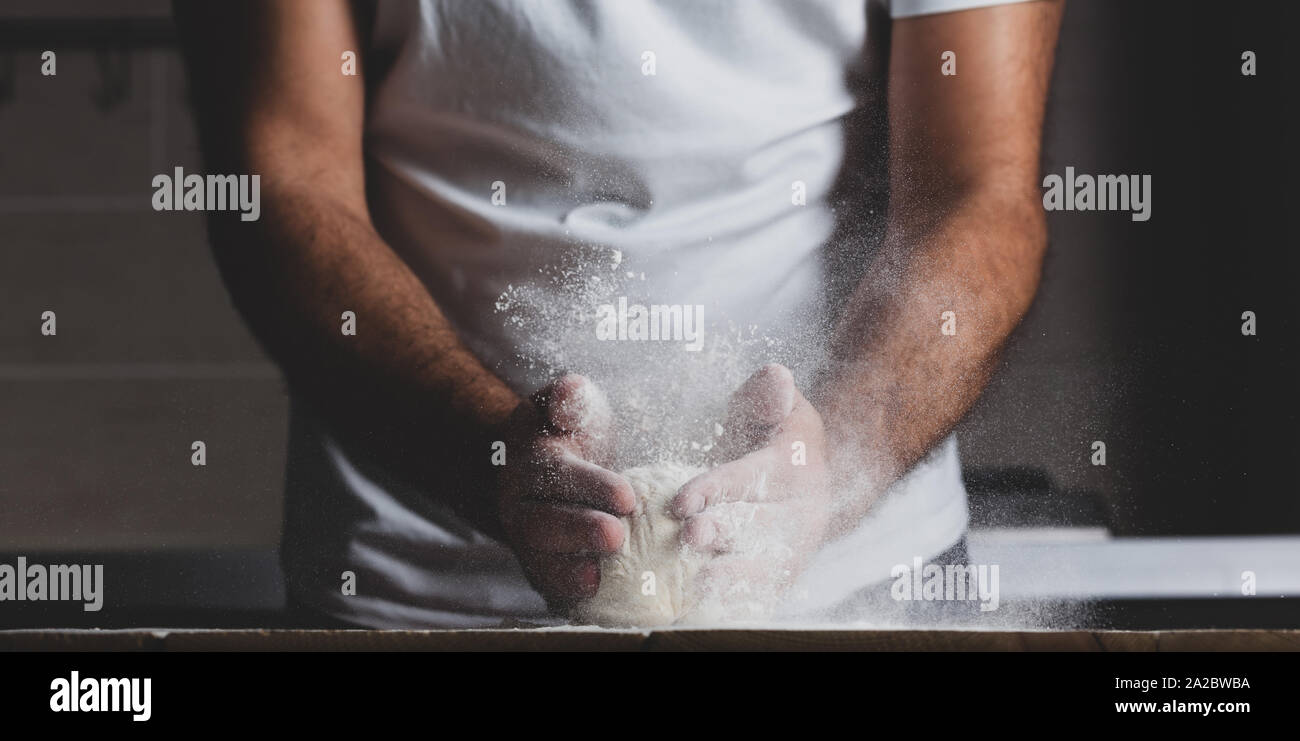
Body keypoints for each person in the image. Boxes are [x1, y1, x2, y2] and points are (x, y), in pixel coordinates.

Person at [175, 0, 1063, 628]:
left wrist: (837, 460)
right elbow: (283, 185)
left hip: (851, 585)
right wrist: (487, 455)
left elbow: (979, 196)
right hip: (427, 594)